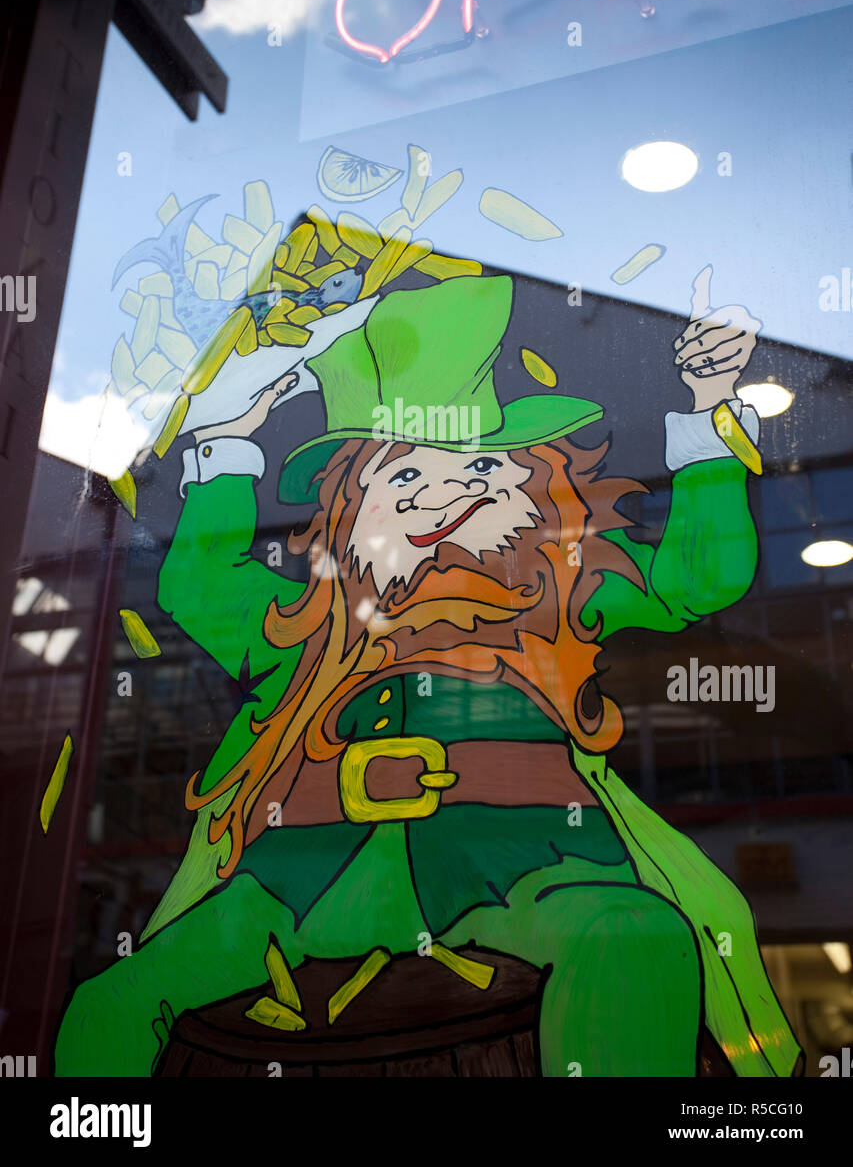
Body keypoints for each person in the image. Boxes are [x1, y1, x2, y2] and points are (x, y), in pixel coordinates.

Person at [55, 272, 800, 1077]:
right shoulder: (310, 619)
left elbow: (697, 578)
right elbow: (199, 585)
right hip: (298, 884)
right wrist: (228, 440)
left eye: (480, 470)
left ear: (526, 483)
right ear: (353, 503)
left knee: (639, 939)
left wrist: (705, 403)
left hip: (531, 866)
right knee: (110, 1007)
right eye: (404, 475)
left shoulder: (562, 589)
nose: (445, 494)